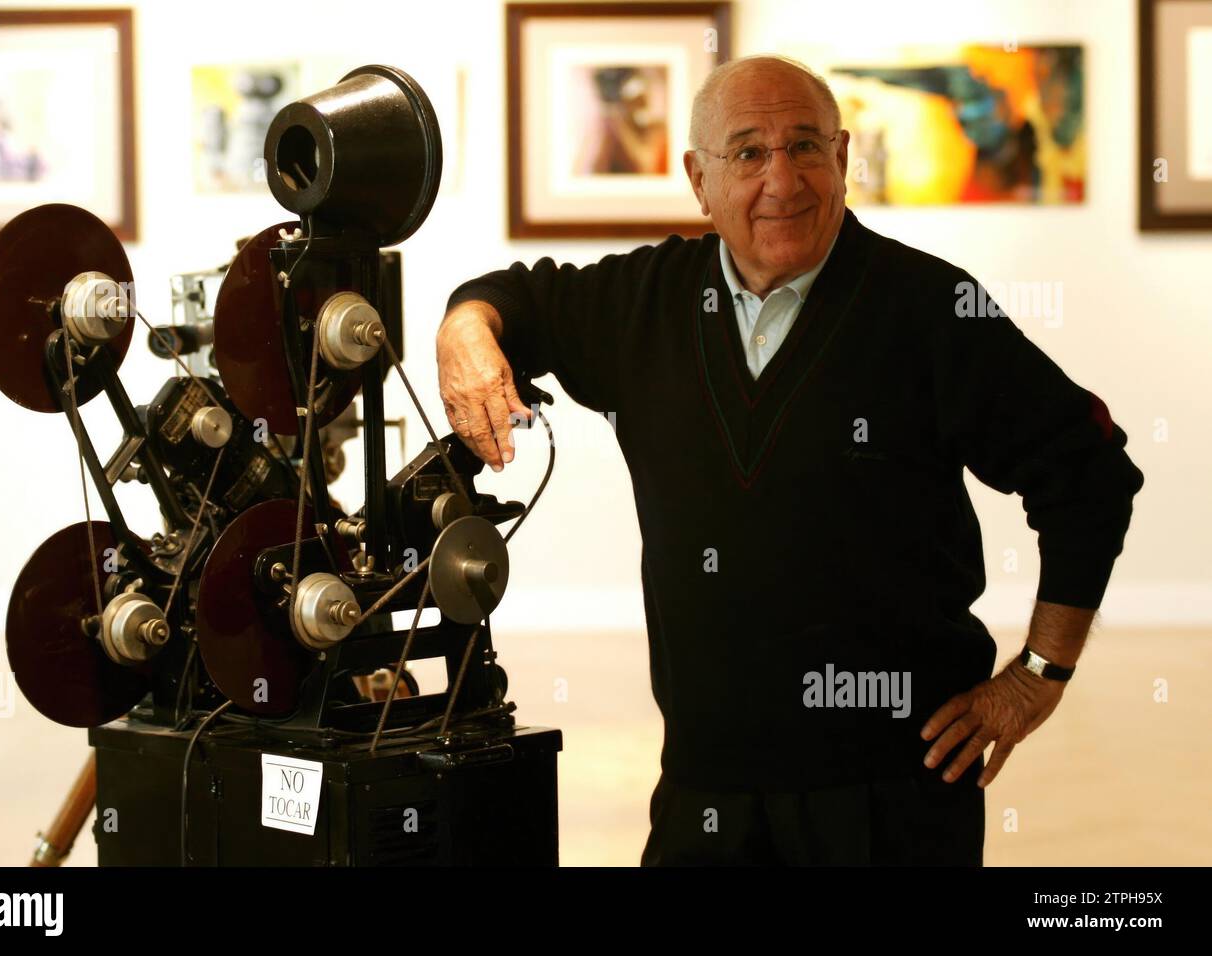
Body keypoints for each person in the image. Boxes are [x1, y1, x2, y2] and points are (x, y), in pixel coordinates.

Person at [434, 55, 1144, 865]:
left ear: (842, 158)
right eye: (748, 152)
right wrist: (465, 332)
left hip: (892, 794)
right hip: (705, 787)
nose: (783, 178)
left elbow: (1090, 474)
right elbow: (515, 299)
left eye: (805, 146)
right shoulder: (646, 302)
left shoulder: (933, 309)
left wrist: (1039, 674)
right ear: (699, 179)